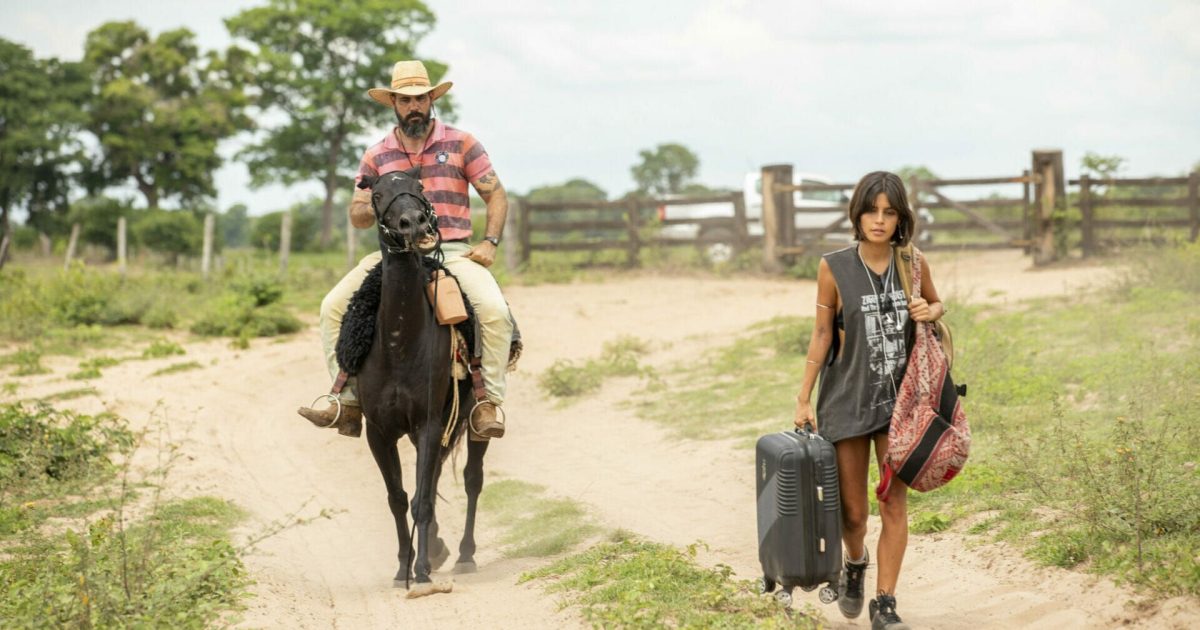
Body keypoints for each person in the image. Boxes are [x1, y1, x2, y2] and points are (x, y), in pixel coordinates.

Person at [297, 60, 514, 441]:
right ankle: (346, 402)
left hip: (453, 250)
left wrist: (489, 242)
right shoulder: (376, 155)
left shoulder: (462, 143)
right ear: (393, 104)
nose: (413, 106)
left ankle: (487, 404)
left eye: (420, 98)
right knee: (331, 306)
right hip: (393, 256)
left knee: (495, 312)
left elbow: (495, 194)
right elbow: (357, 213)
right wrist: (372, 204)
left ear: (431, 98)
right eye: (404, 99)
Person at [793, 171, 944, 630]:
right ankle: (855, 564)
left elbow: (937, 306)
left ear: (901, 218)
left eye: (889, 211)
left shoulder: (912, 262)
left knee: (893, 503)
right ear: (857, 213)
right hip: (846, 399)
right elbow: (822, 333)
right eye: (871, 210)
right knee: (854, 514)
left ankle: (886, 603)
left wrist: (929, 309)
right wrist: (803, 398)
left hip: (903, 405)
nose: (879, 220)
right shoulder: (833, 266)